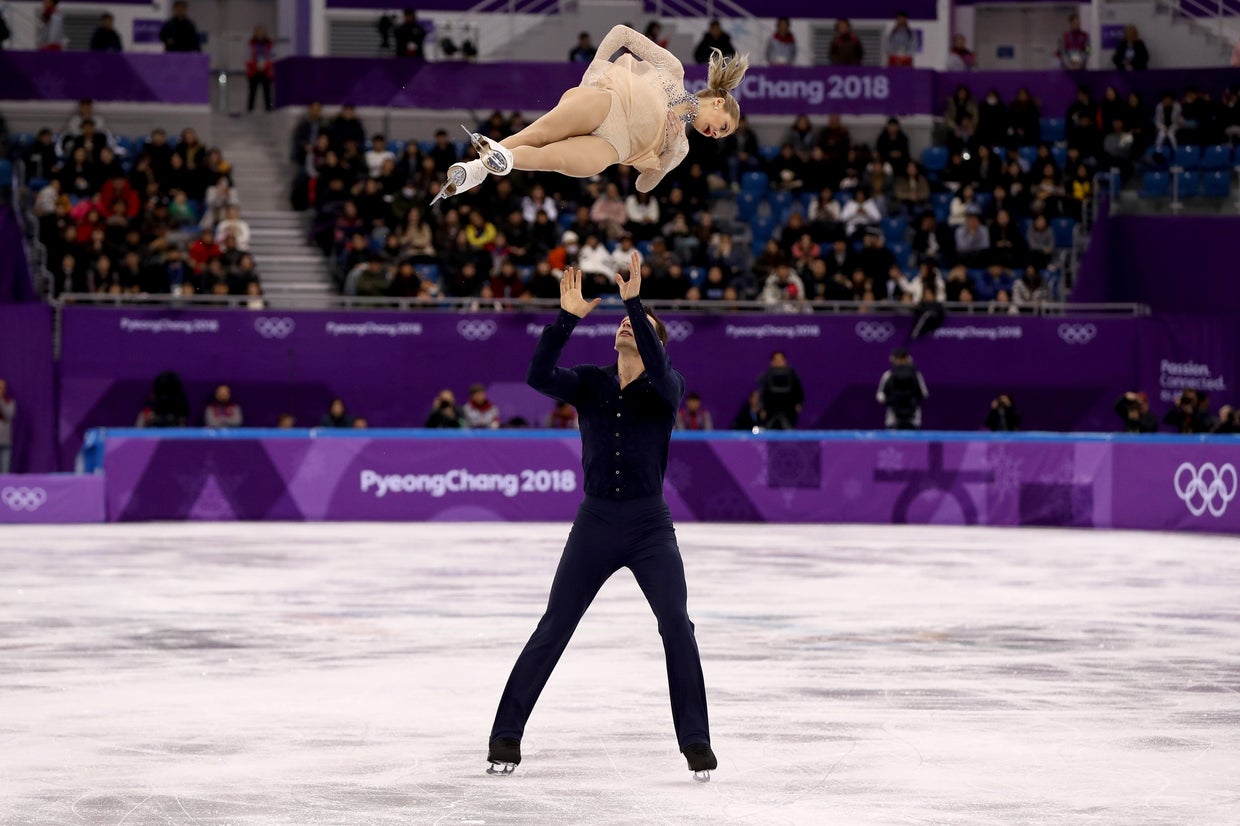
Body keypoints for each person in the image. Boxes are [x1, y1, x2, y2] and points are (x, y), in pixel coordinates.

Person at [488, 254, 716, 782]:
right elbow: (538, 374)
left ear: (654, 340)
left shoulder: (667, 387)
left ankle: (697, 742)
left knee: (677, 625)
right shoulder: (590, 382)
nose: (624, 325)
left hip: (648, 527)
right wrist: (566, 318)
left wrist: (635, 303)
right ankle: (506, 734)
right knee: (555, 625)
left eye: (637, 326)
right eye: (621, 321)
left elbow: (660, 368)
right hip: (594, 523)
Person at [433, 25, 749, 204]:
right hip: (605, 104)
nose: (716, 135)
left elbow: (643, 185)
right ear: (719, 103)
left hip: (612, 147)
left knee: (549, 159)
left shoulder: (682, 146)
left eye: (721, 135)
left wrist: (667, 157)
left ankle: (480, 169)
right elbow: (622, 34)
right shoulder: (674, 70)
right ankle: (478, 168)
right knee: (537, 136)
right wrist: (594, 72)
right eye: (722, 127)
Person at [877, 348, 929, 430]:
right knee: (894, 441)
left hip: (913, 419)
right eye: (898, 359)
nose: (900, 361)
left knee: (912, 441)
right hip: (893, 419)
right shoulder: (888, 375)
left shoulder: (916, 375)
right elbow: (880, 395)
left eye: (902, 358)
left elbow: (924, 393)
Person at [756, 351, 804, 430]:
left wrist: (799, 403)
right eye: (776, 360)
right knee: (768, 433)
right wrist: (762, 408)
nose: (778, 362)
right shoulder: (765, 376)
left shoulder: (793, 375)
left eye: (781, 359)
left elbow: (799, 391)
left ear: (785, 361)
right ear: (772, 362)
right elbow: (761, 392)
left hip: (788, 410)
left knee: (788, 434)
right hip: (770, 410)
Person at [246, 25, 275, 112]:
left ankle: (268, 110)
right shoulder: (250, 44)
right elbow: (247, 57)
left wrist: (265, 65)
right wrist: (256, 66)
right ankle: (250, 110)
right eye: (258, 32)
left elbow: (273, 56)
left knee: (267, 93)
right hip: (254, 71)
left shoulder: (269, 44)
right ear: (255, 33)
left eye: (262, 32)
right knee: (252, 93)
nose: (260, 34)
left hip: (265, 71)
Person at [0, 379, 13, 474]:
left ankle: (4, 486)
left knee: (5, 468)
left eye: (1, 388)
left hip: (5, 440)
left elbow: (9, 414)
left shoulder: (9, 401)